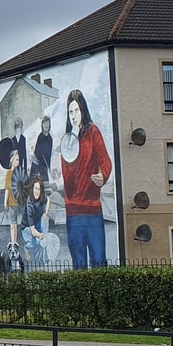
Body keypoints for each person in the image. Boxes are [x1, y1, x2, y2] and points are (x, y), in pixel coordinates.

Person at [60, 89, 112, 268]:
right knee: (79, 264)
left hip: (93, 210)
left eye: (76, 110)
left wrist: (103, 175)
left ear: (83, 110)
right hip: (74, 212)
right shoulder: (67, 141)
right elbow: (68, 182)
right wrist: (72, 146)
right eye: (70, 112)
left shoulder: (93, 132)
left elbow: (105, 160)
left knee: (99, 260)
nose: (73, 115)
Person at [20, 176, 52, 267]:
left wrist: (46, 213)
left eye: (39, 189)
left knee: (42, 242)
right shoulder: (29, 204)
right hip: (28, 227)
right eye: (35, 188)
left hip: (38, 222)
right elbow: (33, 231)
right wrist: (41, 236)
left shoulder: (43, 197)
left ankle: (44, 260)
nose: (37, 191)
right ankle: (26, 248)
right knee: (34, 244)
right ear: (32, 189)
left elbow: (48, 200)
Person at [4, 150, 27, 246]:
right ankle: (14, 244)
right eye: (16, 160)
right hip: (12, 203)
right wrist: (5, 202)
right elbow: (7, 189)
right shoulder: (8, 173)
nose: (18, 162)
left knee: (25, 224)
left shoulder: (22, 172)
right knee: (13, 225)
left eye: (19, 160)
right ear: (12, 160)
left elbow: (25, 187)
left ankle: (28, 243)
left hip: (21, 203)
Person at [31, 115, 54, 188]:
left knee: (46, 185)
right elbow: (37, 153)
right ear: (42, 126)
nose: (46, 126)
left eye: (47, 124)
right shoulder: (40, 137)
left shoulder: (50, 138)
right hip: (37, 164)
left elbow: (49, 155)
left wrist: (49, 167)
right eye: (44, 124)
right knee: (34, 183)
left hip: (44, 165)